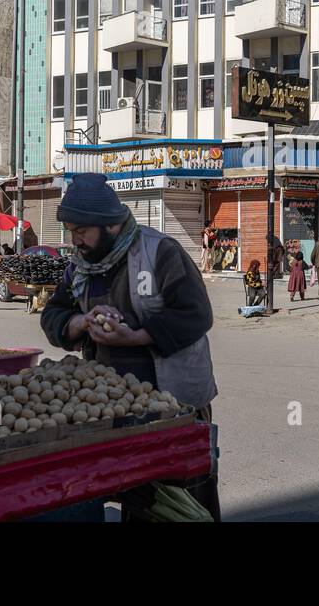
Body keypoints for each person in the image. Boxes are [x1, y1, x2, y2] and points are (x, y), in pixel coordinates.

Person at [40, 174, 220, 520]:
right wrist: (81, 322)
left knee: (184, 501)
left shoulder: (160, 251)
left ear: (110, 226)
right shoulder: (80, 266)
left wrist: (135, 336)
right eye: (71, 231)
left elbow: (197, 315)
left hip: (173, 405)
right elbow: (54, 314)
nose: (74, 240)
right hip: (110, 409)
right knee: (133, 501)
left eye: (82, 231)